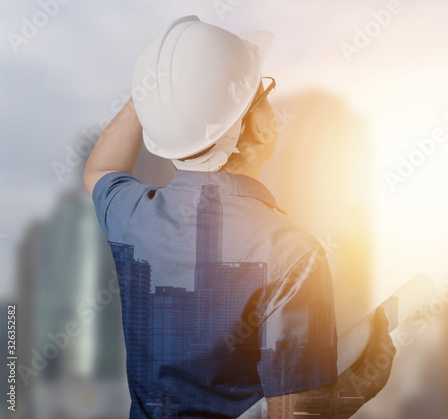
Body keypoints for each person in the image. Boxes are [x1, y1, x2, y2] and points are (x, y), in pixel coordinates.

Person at [83, 16, 394, 418]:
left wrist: (161, 90)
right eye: (263, 94)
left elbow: (98, 171)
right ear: (259, 131)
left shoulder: (133, 216)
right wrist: (359, 387)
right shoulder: (293, 255)